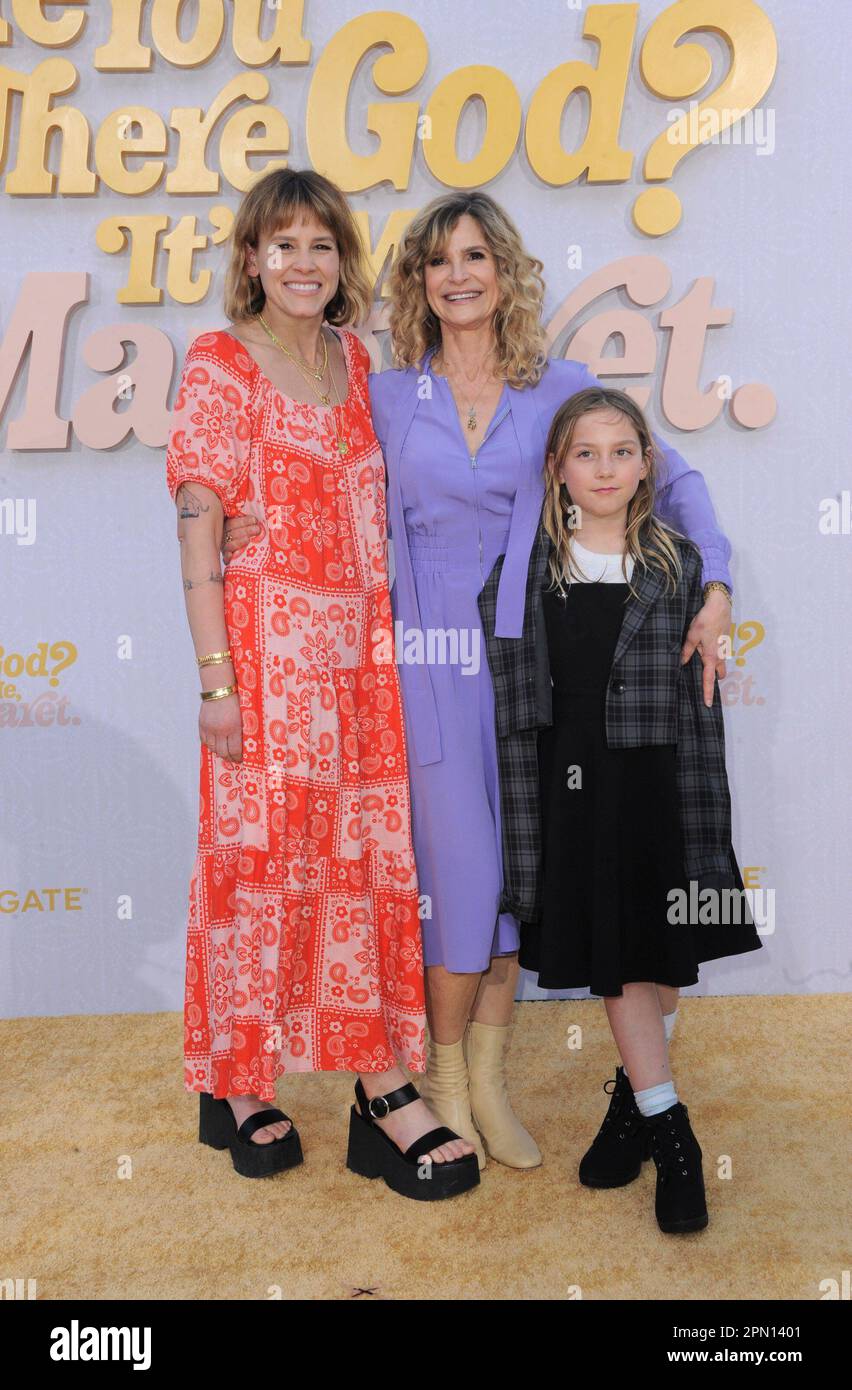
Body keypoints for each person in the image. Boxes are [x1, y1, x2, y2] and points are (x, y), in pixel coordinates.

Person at [223, 190, 735, 1174]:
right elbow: (304, 467)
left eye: (476, 257)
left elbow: (674, 480)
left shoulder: (557, 390)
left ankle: (486, 1087)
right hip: (417, 676)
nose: (457, 275)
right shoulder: (385, 390)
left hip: (532, 674)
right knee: (460, 885)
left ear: (505, 272)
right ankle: (438, 1085)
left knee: (513, 888)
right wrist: (238, 525)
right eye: (437, 260)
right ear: (418, 280)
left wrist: (714, 581)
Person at [165, 167, 478, 1198]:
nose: (303, 263)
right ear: (251, 258)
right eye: (282, 244)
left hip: (361, 664)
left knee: (363, 864)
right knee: (261, 864)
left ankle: (380, 1083)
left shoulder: (359, 359)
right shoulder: (219, 362)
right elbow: (199, 530)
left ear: (342, 263)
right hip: (262, 656)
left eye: (321, 245)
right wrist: (218, 679)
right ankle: (239, 1079)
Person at [477, 385, 763, 1231]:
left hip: (663, 791)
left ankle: (631, 1104)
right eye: (585, 454)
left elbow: (697, 698)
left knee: (659, 957)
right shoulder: (530, 568)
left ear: (647, 467)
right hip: (574, 794)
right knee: (624, 963)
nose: (605, 469)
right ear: (558, 471)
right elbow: (511, 689)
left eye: (623, 452)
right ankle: (674, 1134)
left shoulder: (679, 566)